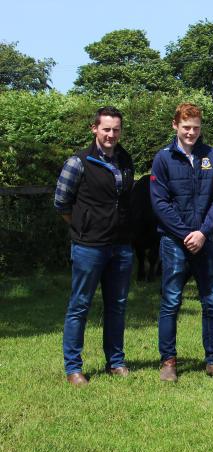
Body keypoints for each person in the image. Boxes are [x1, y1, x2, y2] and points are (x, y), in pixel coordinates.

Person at [54, 106, 136, 386]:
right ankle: (73, 368)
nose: (111, 134)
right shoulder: (78, 162)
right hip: (89, 246)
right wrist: (83, 225)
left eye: (116, 129)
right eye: (106, 129)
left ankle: (115, 361)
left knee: (117, 306)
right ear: (94, 129)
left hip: (121, 246)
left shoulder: (126, 160)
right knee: (80, 306)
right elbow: (61, 202)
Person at [150, 103, 213, 381]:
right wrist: (186, 234)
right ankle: (169, 362)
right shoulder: (163, 159)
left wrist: (203, 233)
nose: (191, 133)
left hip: (204, 240)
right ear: (175, 126)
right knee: (171, 301)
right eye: (186, 127)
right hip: (174, 242)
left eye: (196, 128)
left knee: (211, 301)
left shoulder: (212, 156)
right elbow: (160, 203)